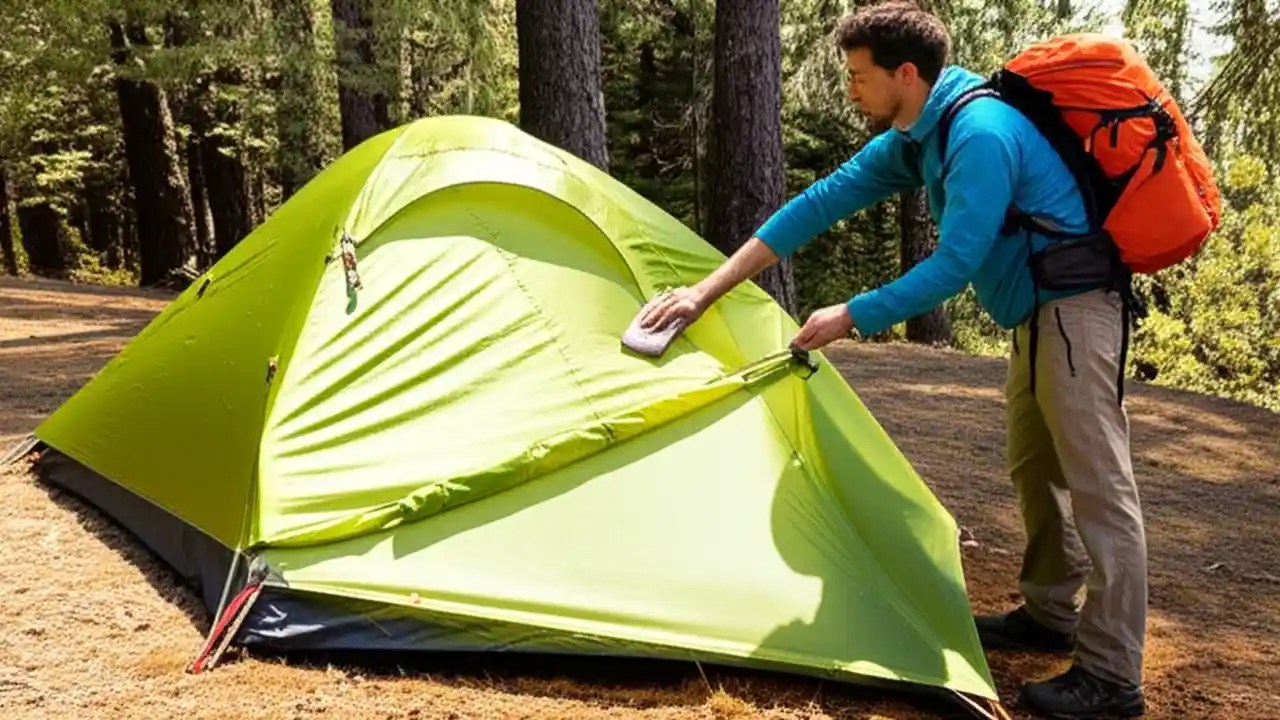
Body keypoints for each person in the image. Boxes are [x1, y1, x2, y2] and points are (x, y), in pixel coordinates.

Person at [639, 1, 1147, 717]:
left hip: (1077, 312)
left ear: (906, 74)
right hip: (1036, 315)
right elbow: (819, 201)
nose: (850, 88)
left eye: (857, 75)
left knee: (1100, 488)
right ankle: (1049, 612)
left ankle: (1113, 675)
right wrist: (704, 292)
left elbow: (954, 265)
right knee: (1036, 470)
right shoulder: (920, 133)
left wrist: (851, 314)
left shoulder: (978, 134)